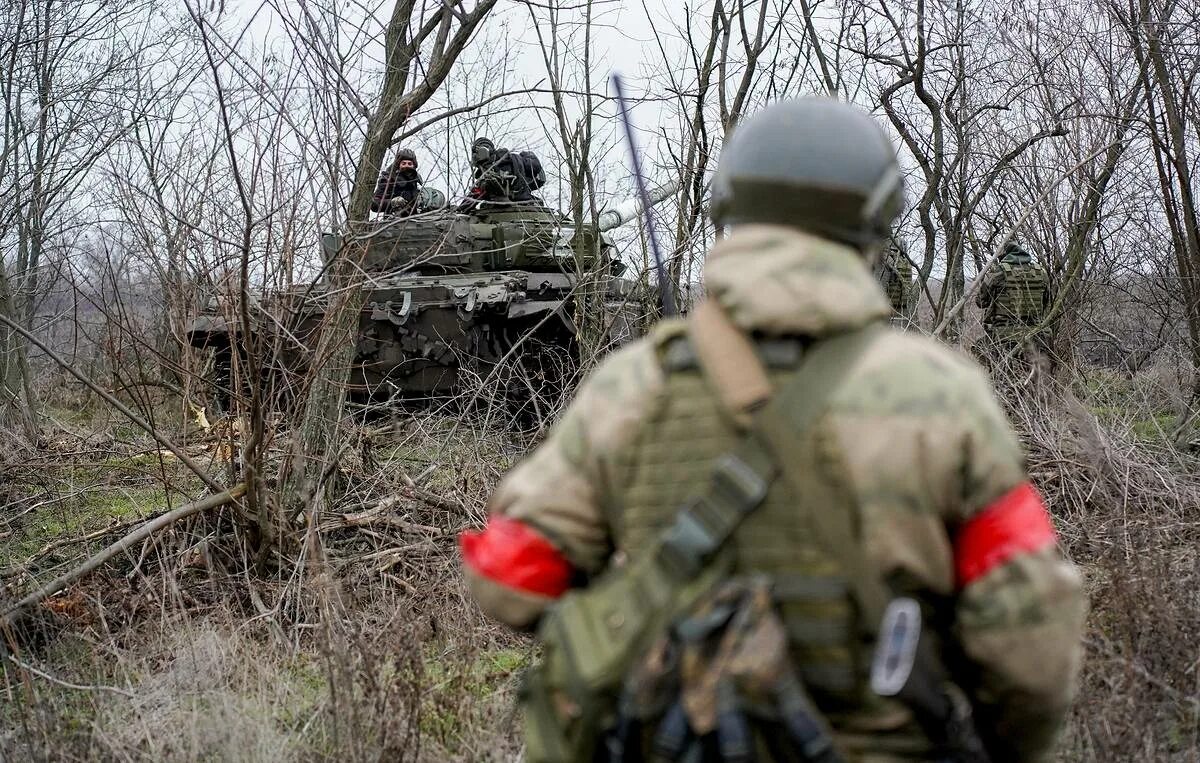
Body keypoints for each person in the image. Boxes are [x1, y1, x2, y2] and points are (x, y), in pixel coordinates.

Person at [461, 99, 1085, 762]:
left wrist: (634, 612)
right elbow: (1031, 647)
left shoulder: (633, 385)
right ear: (874, 221)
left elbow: (509, 572)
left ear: (729, 211)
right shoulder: (945, 394)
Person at [976, 241, 1051, 345]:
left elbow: (981, 302)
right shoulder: (1041, 272)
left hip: (1003, 333)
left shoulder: (997, 272)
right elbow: (1046, 301)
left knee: (977, 350)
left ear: (1004, 256)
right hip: (1036, 332)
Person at [463, 136, 545, 204]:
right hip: (523, 200)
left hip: (512, 203)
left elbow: (480, 192)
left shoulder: (501, 164)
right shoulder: (505, 159)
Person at [371, 148, 423, 216]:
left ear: (414, 165)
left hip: (414, 219)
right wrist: (393, 202)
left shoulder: (415, 180)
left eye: (409, 164)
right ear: (398, 165)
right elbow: (375, 204)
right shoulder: (388, 179)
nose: (407, 166)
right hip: (393, 220)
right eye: (403, 163)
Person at [874, 239, 914, 323]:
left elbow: (879, 287)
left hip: (886, 313)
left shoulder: (885, 260)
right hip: (902, 312)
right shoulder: (904, 261)